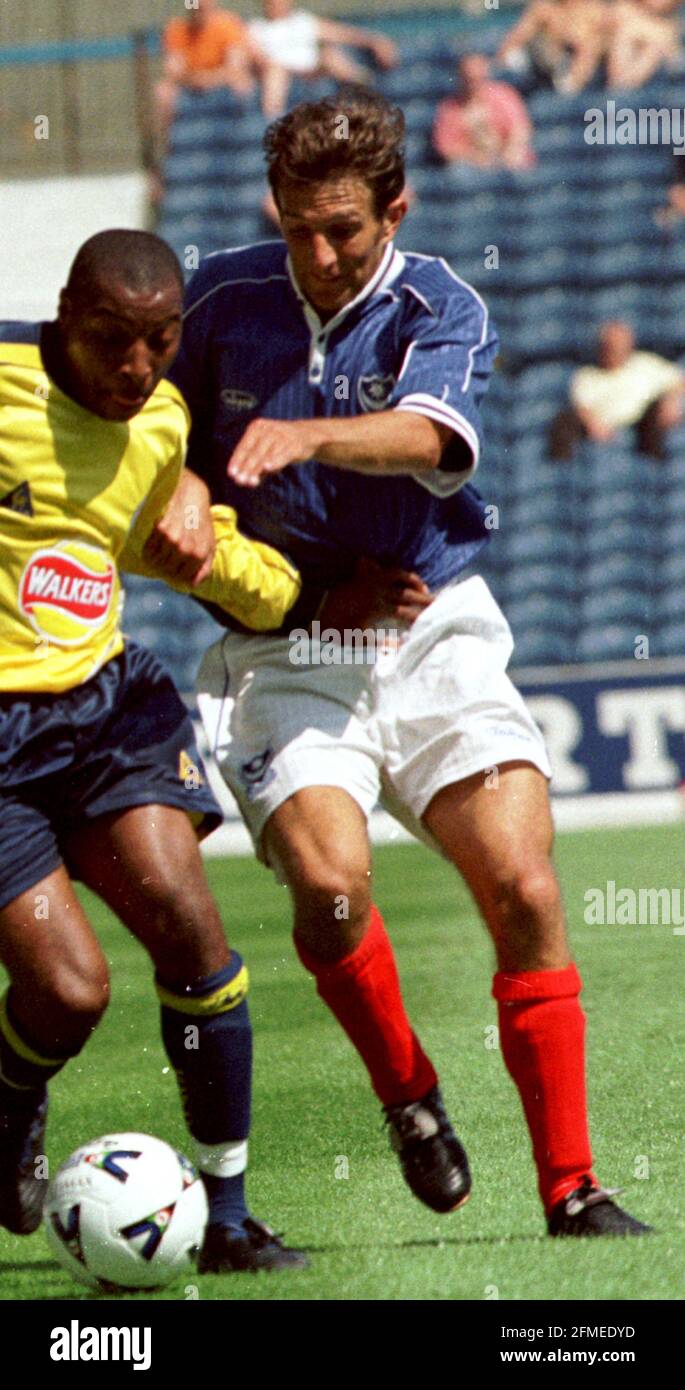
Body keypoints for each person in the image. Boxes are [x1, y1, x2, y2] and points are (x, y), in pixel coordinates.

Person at [163, 91, 651, 1238]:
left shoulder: (443, 301)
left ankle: (570, 1188)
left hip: (433, 636)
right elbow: (162, 488)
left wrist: (310, 435)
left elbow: (433, 437)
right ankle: (408, 1093)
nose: (320, 256)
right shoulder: (221, 302)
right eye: (298, 229)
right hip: (286, 650)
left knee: (527, 890)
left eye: (343, 229)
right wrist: (206, 504)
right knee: (331, 891)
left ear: (396, 207)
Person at [0, 227, 312, 1274]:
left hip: (99, 713)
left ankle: (225, 1215)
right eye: (111, 341)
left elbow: (184, 544)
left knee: (189, 926)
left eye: (158, 341)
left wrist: (294, 593)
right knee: (70, 990)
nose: (136, 367)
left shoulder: (160, 420)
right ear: (63, 321)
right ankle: (8, 1104)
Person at [549, 320, 685, 459]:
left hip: (643, 422)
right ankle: (560, 469)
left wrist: (671, 401)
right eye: (611, 345)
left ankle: (655, 466)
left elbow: (679, 381)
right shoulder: (587, 375)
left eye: (620, 344)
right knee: (564, 421)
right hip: (605, 428)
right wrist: (592, 422)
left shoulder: (645, 364)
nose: (616, 349)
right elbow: (580, 406)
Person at [248, 0, 399, 116]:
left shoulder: (303, 21)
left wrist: (374, 41)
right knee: (275, 72)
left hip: (313, 69)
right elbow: (255, 57)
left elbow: (342, 34)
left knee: (329, 54)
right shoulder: (256, 28)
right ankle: (272, 118)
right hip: (280, 72)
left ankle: (363, 87)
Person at [155, 0, 260, 149]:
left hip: (222, 81)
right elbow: (174, 71)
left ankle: (244, 143)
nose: (199, 10)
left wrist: (209, 79)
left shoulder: (228, 25)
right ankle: (167, 150)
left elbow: (235, 67)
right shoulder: (177, 29)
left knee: (243, 85)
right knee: (163, 91)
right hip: (191, 82)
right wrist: (196, 79)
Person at [432, 54, 536, 170]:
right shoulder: (449, 108)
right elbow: (446, 149)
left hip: (505, 156)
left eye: (479, 79)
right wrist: (475, 157)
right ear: (461, 79)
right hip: (473, 163)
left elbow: (520, 129)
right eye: (470, 79)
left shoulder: (503, 95)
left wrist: (511, 149)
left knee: (520, 159)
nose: (474, 85)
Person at [496, 0, 610, 94]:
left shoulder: (596, 10)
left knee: (591, 44)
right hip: (550, 62)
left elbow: (595, 45)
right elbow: (517, 36)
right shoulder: (543, 8)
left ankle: (570, 87)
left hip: (585, 70)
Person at [605, 0, 682, 89]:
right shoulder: (622, 10)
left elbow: (674, 57)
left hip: (657, 85)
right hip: (615, 86)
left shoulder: (669, 27)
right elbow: (618, 80)